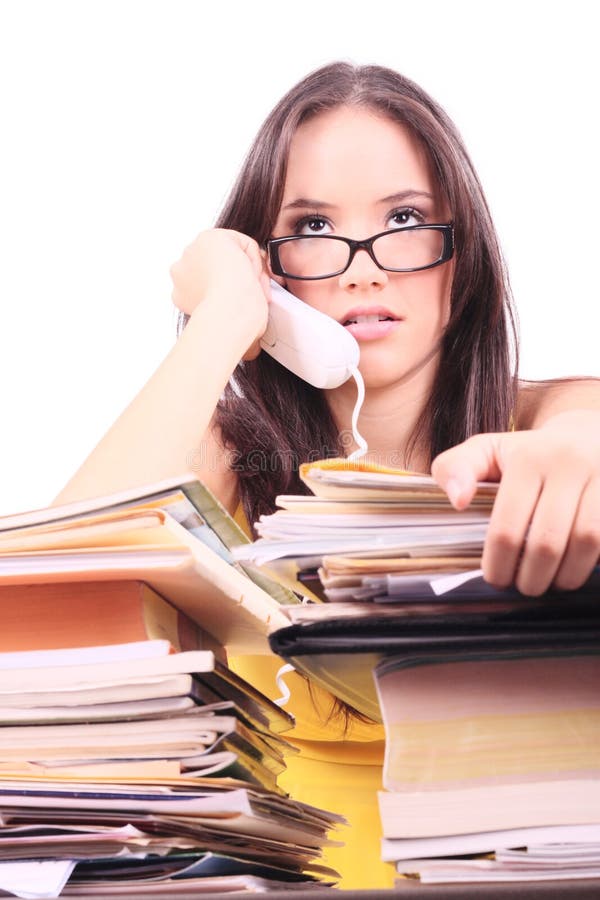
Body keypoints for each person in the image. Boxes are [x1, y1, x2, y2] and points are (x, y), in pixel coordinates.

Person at [55, 62, 600, 888]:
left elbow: (585, 435)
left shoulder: (550, 416)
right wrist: (221, 321)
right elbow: (43, 601)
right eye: (312, 226)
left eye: (407, 217)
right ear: (269, 263)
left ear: (468, 255)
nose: (361, 266)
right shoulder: (227, 460)